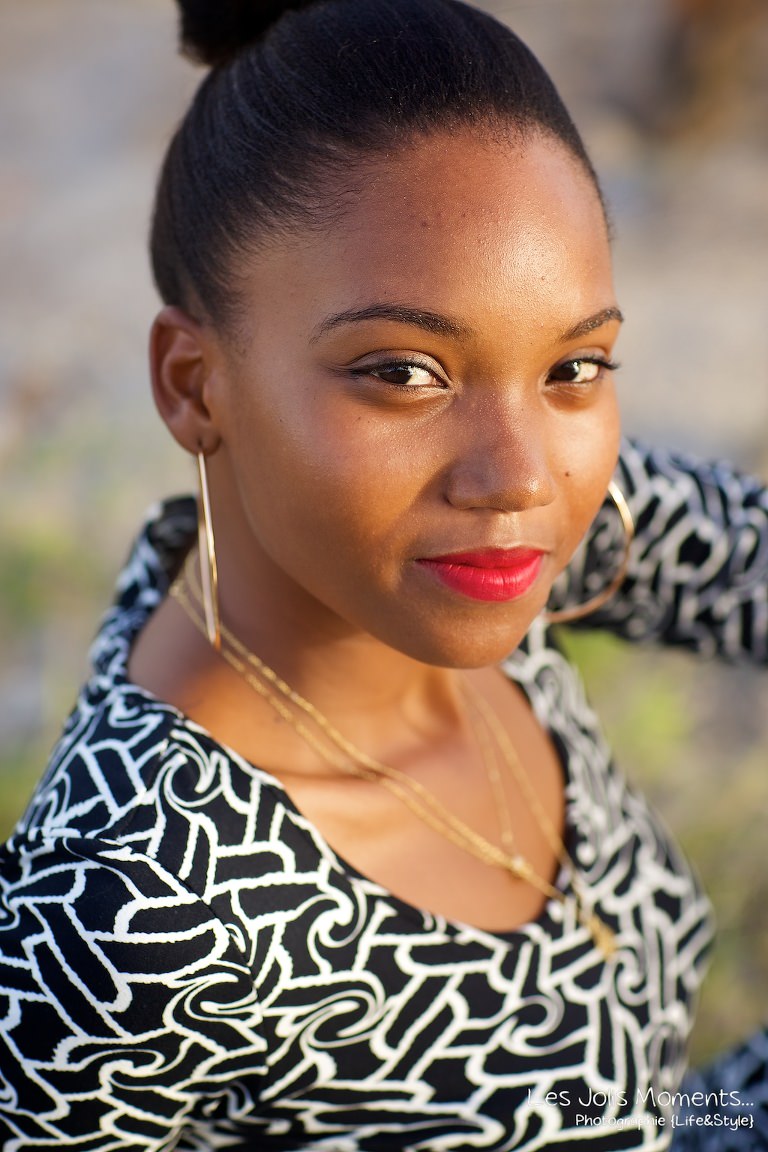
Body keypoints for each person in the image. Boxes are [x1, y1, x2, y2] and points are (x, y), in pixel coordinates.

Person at [0, 1, 765, 1148]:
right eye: (403, 371)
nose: (518, 476)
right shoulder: (135, 913)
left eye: (574, 365)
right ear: (194, 385)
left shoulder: (530, 535)